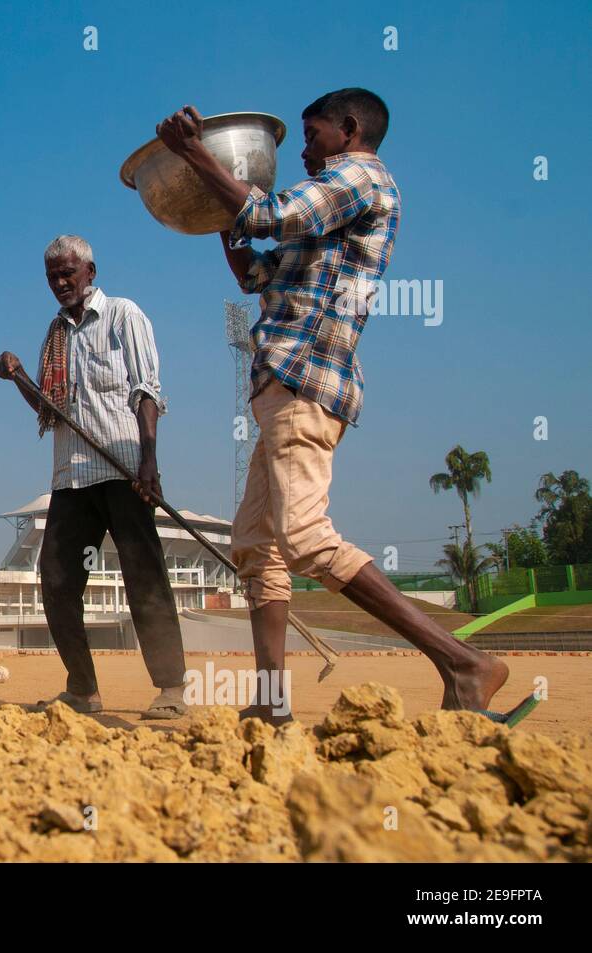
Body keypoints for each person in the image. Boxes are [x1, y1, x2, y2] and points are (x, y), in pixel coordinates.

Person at [157, 89, 515, 723]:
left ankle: (463, 662)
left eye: (312, 133)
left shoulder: (361, 177)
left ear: (349, 130)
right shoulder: (329, 213)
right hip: (282, 385)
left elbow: (270, 216)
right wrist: (211, 196)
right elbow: (253, 272)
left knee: (305, 540)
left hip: (306, 382)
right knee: (255, 545)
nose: (303, 148)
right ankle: (270, 705)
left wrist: (196, 155)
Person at [0, 235, 188, 718]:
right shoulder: (55, 333)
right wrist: (18, 376)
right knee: (57, 582)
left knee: (145, 577)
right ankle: (83, 690)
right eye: (52, 277)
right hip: (71, 479)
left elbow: (147, 390)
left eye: (68, 274)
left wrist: (149, 462)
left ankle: (170, 690)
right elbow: (50, 409)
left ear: (90, 273)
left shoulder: (124, 315)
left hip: (123, 471)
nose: (60, 283)